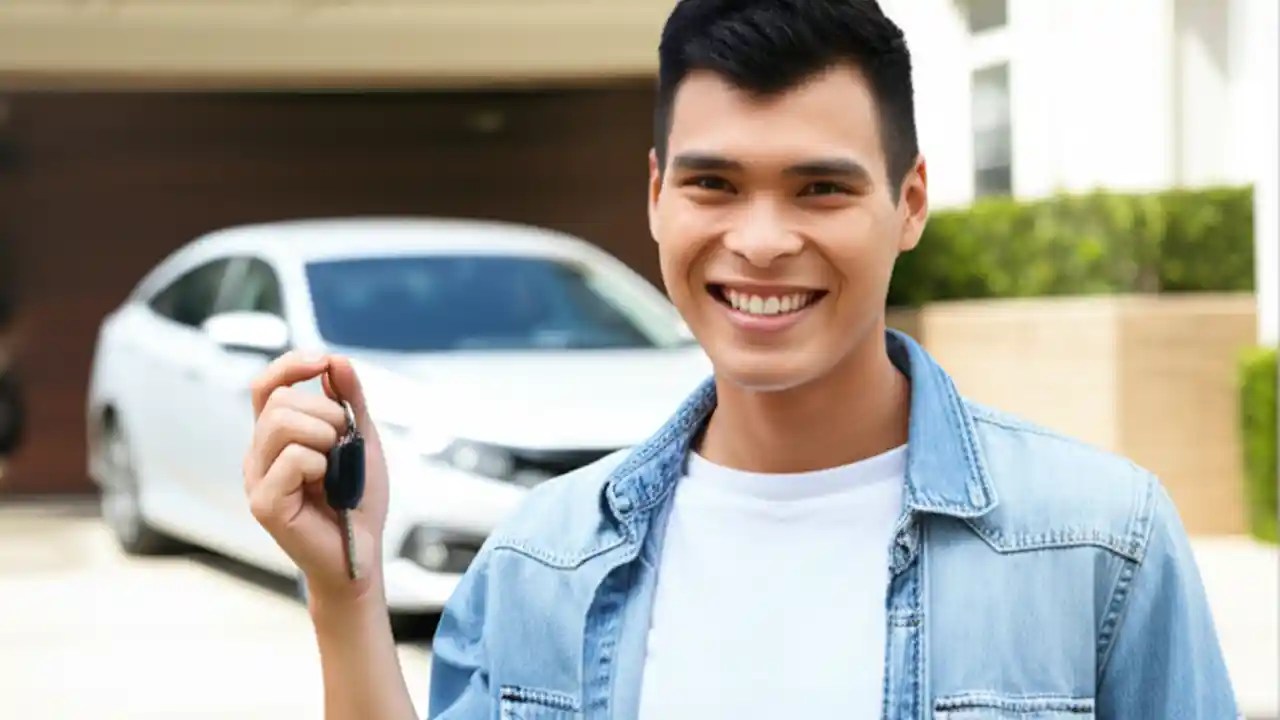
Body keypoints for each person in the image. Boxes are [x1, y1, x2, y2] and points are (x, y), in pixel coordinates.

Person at [242, 1, 1240, 717]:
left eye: (819, 190)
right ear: (654, 196)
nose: (759, 241)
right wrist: (349, 598)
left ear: (910, 202)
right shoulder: (538, 565)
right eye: (713, 183)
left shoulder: (1099, 546)